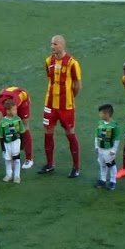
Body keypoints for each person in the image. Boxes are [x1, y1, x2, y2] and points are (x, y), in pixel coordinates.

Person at [41, 34, 83, 178]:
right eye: (52, 44)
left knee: (70, 133)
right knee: (47, 131)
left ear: (63, 45)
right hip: (50, 104)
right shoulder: (48, 61)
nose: (52, 46)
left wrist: (70, 98)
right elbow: (50, 80)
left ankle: (76, 167)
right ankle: (50, 164)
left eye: (55, 44)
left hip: (66, 106)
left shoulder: (72, 63)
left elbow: (78, 85)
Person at [0, 86, 35, 171]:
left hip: (22, 97)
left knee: (24, 127)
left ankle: (29, 159)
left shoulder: (10, 110)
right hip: (8, 93)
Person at [0, 100, 26, 183]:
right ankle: (8, 174)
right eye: (13, 109)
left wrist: (22, 146)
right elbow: (1, 137)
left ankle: (17, 176)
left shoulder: (18, 120)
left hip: (16, 142)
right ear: (8, 111)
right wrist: (3, 149)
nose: (16, 111)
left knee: (16, 159)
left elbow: (22, 133)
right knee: (8, 159)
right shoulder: (2, 123)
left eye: (16, 109)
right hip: (7, 144)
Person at [94, 104, 120, 190]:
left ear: (107, 114)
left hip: (108, 150)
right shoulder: (100, 123)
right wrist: (96, 146)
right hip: (101, 149)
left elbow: (117, 138)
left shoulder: (114, 126)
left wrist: (114, 150)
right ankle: (103, 180)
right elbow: (96, 136)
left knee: (111, 165)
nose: (100, 115)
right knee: (102, 164)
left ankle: (113, 181)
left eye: (101, 113)